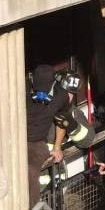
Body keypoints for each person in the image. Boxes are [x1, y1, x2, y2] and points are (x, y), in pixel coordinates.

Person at [25, 64, 68, 200]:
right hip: (16, 140)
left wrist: (57, 147)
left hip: (36, 143)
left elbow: (62, 121)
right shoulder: (21, 91)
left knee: (31, 172)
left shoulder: (60, 95)